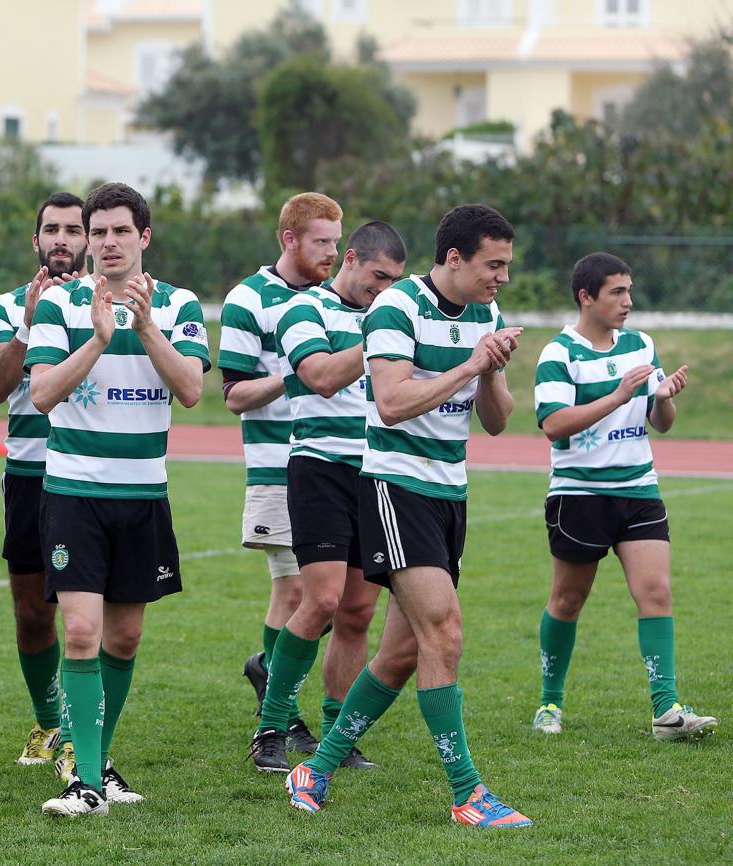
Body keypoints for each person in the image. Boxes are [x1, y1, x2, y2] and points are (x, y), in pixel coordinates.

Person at [285, 204, 532, 828]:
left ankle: (316, 768)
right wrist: (471, 364)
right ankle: (467, 792)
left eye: (506, 265)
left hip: (450, 493)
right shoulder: (396, 309)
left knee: (400, 654)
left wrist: (494, 369)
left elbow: (498, 422)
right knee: (445, 634)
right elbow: (391, 403)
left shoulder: (486, 314)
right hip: (397, 488)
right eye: (493, 264)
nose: (502, 276)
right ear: (454, 258)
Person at [26, 182, 210, 817]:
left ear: (144, 238)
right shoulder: (60, 305)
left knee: (124, 638)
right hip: (73, 492)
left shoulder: (181, 304)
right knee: (81, 632)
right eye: (97, 232)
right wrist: (99, 339)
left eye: (119, 232)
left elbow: (190, 390)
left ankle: (98, 759)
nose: (106, 243)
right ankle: (81, 779)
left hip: (143, 494)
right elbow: (43, 393)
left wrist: (146, 326)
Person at [531, 252, 717, 741]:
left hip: (639, 489)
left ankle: (666, 710)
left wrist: (662, 397)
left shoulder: (641, 345)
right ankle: (550, 702)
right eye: (616, 292)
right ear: (586, 297)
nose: (627, 302)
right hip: (580, 496)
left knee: (655, 593)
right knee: (568, 600)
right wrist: (616, 395)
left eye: (629, 291)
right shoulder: (559, 353)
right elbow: (553, 425)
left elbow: (662, 424)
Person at [249, 221, 406, 773]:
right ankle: (271, 724)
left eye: (395, 283)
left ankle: (338, 734)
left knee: (359, 612)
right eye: (378, 277)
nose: (384, 290)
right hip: (319, 469)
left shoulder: (394, 314)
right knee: (320, 601)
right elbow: (319, 377)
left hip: (378, 473)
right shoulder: (304, 309)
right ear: (352, 260)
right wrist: (380, 338)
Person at [219, 191, 342, 756]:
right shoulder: (249, 298)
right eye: (321, 242)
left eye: (337, 243)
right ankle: (281, 716)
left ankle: (269, 670)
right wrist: (295, 374)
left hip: (331, 463)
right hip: (274, 460)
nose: (332, 254)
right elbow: (234, 394)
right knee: (294, 591)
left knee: (327, 599)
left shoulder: (336, 300)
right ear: (288, 239)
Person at [0, 192, 88, 771]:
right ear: (36, 240)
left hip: (92, 474)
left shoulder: (107, 302)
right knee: (31, 612)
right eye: (53, 229)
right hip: (28, 474)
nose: (63, 239)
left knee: (84, 613)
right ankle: (48, 723)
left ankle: (76, 733)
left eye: (74, 229)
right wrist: (27, 323)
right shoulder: (2, 307)